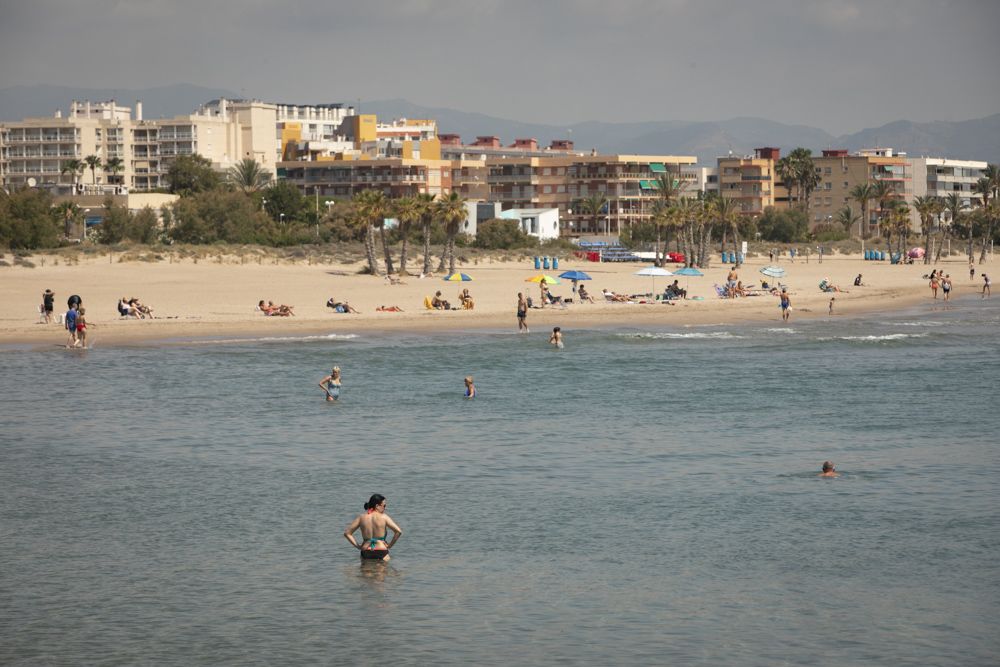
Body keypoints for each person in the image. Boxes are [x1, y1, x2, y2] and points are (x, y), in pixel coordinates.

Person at [344, 494, 402, 561]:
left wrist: (358, 546)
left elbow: (347, 533)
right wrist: (390, 545)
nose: (385, 508)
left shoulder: (361, 517)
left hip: (366, 551)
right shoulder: (384, 517)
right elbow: (398, 531)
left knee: (366, 567)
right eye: (384, 505)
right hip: (381, 550)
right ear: (377, 506)